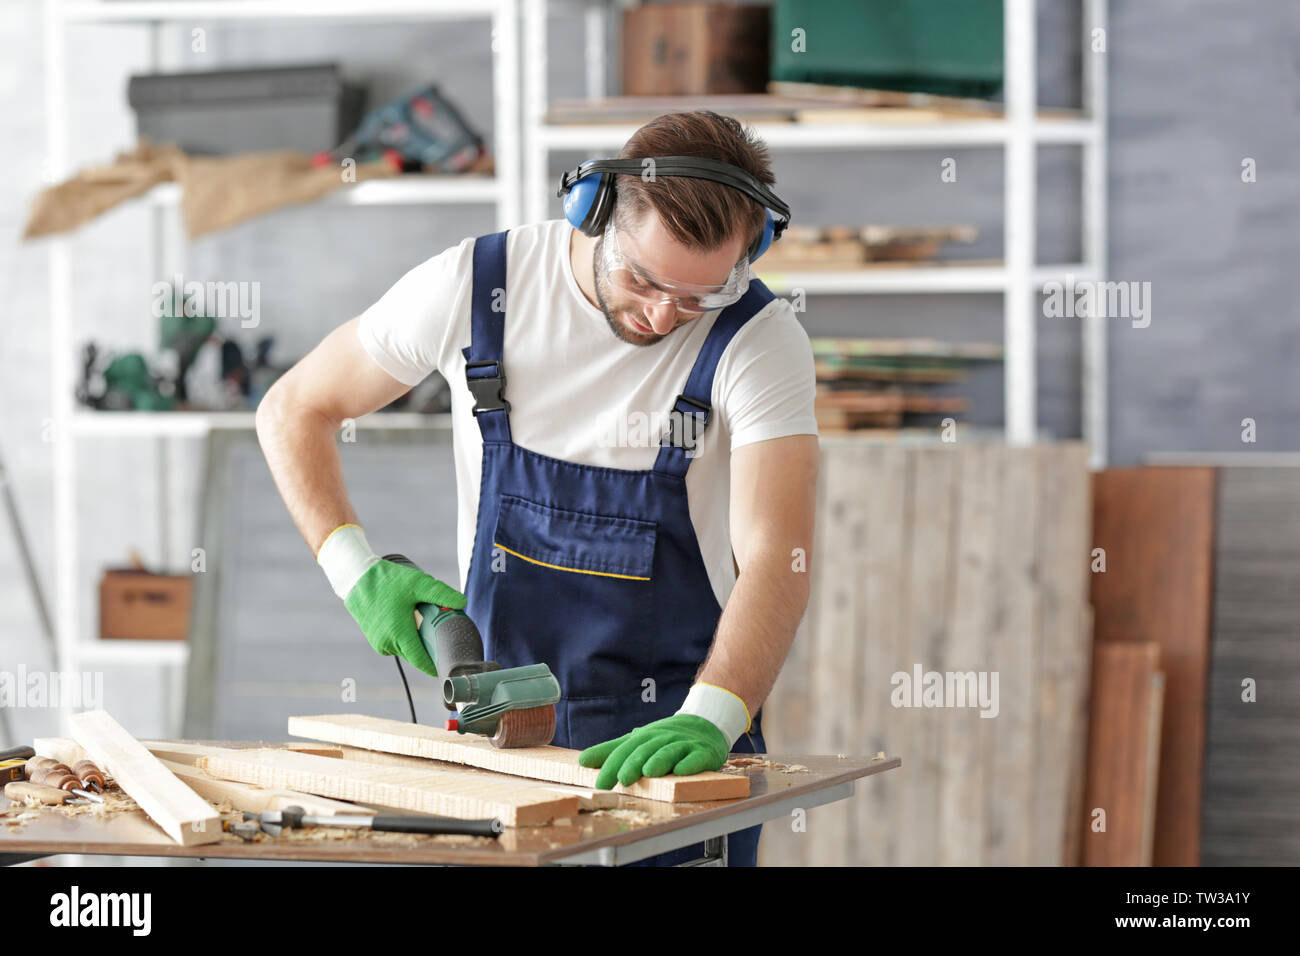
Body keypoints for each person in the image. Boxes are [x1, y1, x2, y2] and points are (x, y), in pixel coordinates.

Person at [256, 110, 819, 866]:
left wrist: (714, 718)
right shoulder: (478, 286)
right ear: (593, 211)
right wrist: (356, 572)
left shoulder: (759, 338)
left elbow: (777, 553)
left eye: (697, 298)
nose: (661, 315)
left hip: (673, 757)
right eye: (642, 280)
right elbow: (295, 407)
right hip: (501, 747)